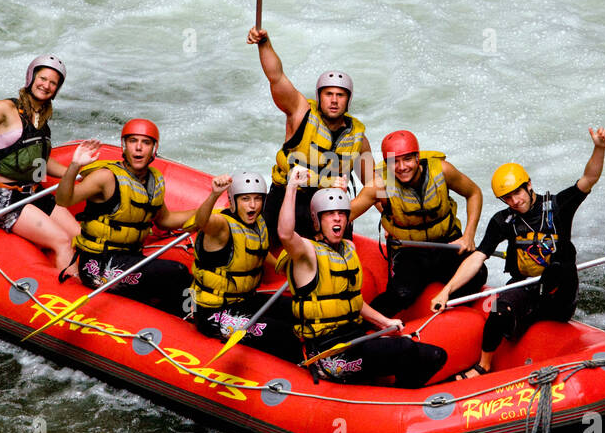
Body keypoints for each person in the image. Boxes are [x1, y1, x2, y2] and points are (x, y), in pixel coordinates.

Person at [431, 127, 605, 380]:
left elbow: (588, 179)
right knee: (498, 311)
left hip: (558, 293)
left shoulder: (558, 206)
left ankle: (547, 289)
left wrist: (599, 148)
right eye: (507, 198)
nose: (514, 201)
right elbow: (477, 257)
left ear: (529, 185)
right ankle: (483, 366)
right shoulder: (503, 221)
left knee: (562, 259)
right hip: (527, 288)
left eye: (517, 192)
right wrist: (446, 290)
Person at [279, 165, 447, 387]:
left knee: (436, 355)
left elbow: (353, 301)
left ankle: (399, 394)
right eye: (329, 214)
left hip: (354, 337)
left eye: (341, 213)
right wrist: (291, 187)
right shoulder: (306, 254)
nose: (337, 219)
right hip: (327, 354)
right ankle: (396, 399)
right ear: (317, 220)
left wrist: (384, 322)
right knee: (405, 350)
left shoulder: (348, 249)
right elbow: (285, 233)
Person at [55, 120, 218, 316]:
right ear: (124, 146)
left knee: (182, 277)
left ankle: (177, 318)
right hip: (98, 265)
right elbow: (64, 199)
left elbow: (164, 220)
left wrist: (208, 210)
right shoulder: (106, 177)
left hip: (131, 258)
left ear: (154, 149)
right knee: (177, 271)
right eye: (133, 141)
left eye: (146, 142)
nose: (139, 147)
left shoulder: (154, 181)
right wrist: (74, 166)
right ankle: (189, 317)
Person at [248, 26, 374, 247]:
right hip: (290, 197)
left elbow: (376, 187)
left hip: (330, 207)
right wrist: (264, 43)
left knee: (380, 186)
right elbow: (275, 76)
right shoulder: (300, 112)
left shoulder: (358, 138)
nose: (334, 100)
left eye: (340, 95)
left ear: (348, 100)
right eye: (329, 94)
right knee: (262, 246)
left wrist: (351, 212)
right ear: (319, 96)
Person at [349, 129, 488, 317]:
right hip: (409, 250)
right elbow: (346, 213)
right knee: (401, 294)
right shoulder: (380, 185)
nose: (401, 167)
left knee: (478, 274)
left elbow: (474, 193)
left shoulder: (442, 171)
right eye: (394, 162)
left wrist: (469, 235)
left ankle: (447, 308)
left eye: (407, 159)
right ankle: (361, 324)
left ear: (417, 157)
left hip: (447, 243)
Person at [0, 56, 79, 271]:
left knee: (79, 236)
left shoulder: (41, 118)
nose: (46, 85)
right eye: (42, 78)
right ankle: (68, 294)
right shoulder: (6, 108)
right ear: (31, 78)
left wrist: (77, 172)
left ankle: (70, 274)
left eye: (53, 82)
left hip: (35, 192)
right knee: (61, 240)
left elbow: (41, 163)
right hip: (6, 197)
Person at [189, 172, 299, 360]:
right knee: (282, 333)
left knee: (298, 310)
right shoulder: (221, 227)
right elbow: (202, 222)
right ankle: (297, 368)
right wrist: (214, 194)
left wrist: (286, 271)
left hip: (245, 301)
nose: (253, 205)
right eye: (245, 199)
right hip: (213, 312)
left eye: (257, 199)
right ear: (233, 202)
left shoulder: (258, 224)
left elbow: (258, 253)